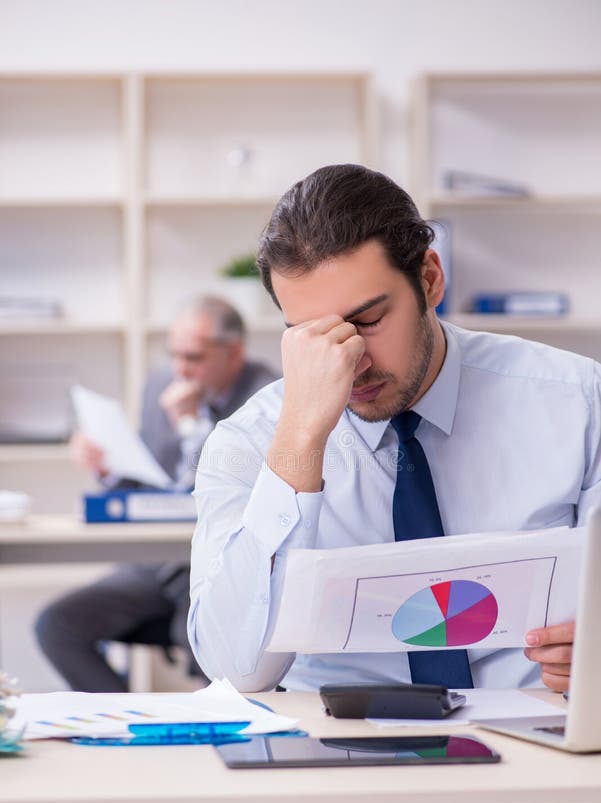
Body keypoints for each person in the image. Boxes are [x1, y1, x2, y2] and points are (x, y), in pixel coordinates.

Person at [188, 164, 601, 697]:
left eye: (366, 322)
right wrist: (298, 440)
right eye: (311, 335)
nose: (348, 359)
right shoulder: (248, 440)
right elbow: (236, 672)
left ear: (429, 279)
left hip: (539, 739)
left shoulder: (579, 401)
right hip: (338, 753)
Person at [35, 295, 277, 692]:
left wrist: (191, 427)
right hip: (154, 564)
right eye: (173, 355)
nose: (181, 369)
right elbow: (146, 481)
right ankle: (123, 729)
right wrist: (108, 467)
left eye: (194, 357)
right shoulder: (161, 386)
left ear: (233, 353)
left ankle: (219, 740)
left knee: (212, 644)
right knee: (56, 626)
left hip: (217, 564)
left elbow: (228, 491)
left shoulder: (266, 399)